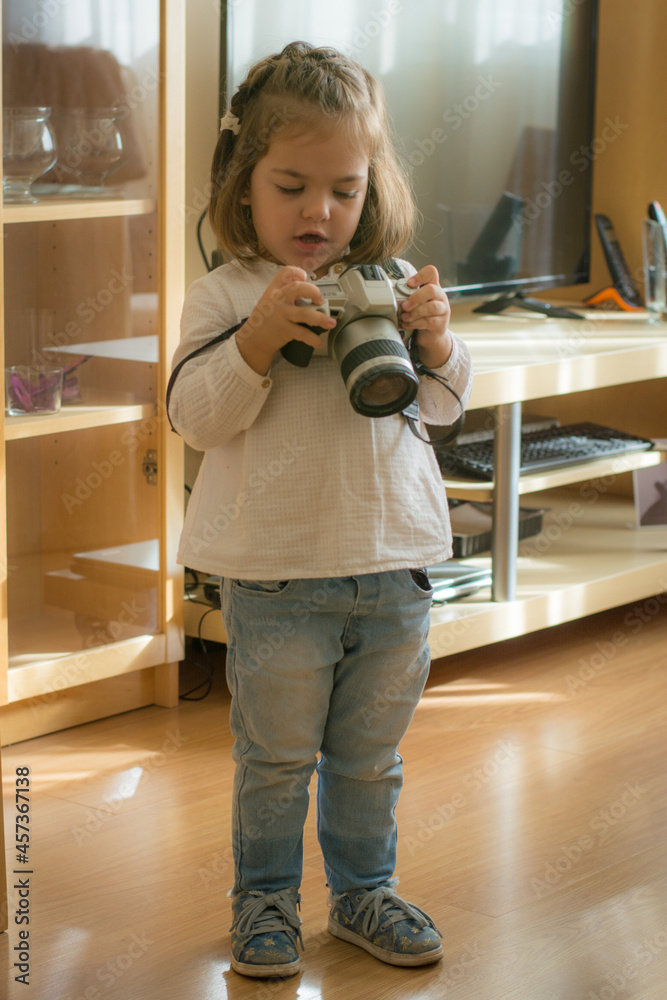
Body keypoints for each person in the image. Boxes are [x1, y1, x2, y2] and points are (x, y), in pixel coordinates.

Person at [168, 41, 473, 979]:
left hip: (395, 571)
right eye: (292, 184)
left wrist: (437, 343)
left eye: (344, 189)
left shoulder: (387, 280)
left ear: (370, 188)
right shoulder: (224, 294)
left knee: (368, 761)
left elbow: (445, 407)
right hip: (276, 576)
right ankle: (263, 902)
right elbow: (193, 415)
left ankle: (361, 894)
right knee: (275, 760)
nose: (319, 211)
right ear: (240, 180)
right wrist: (257, 341)